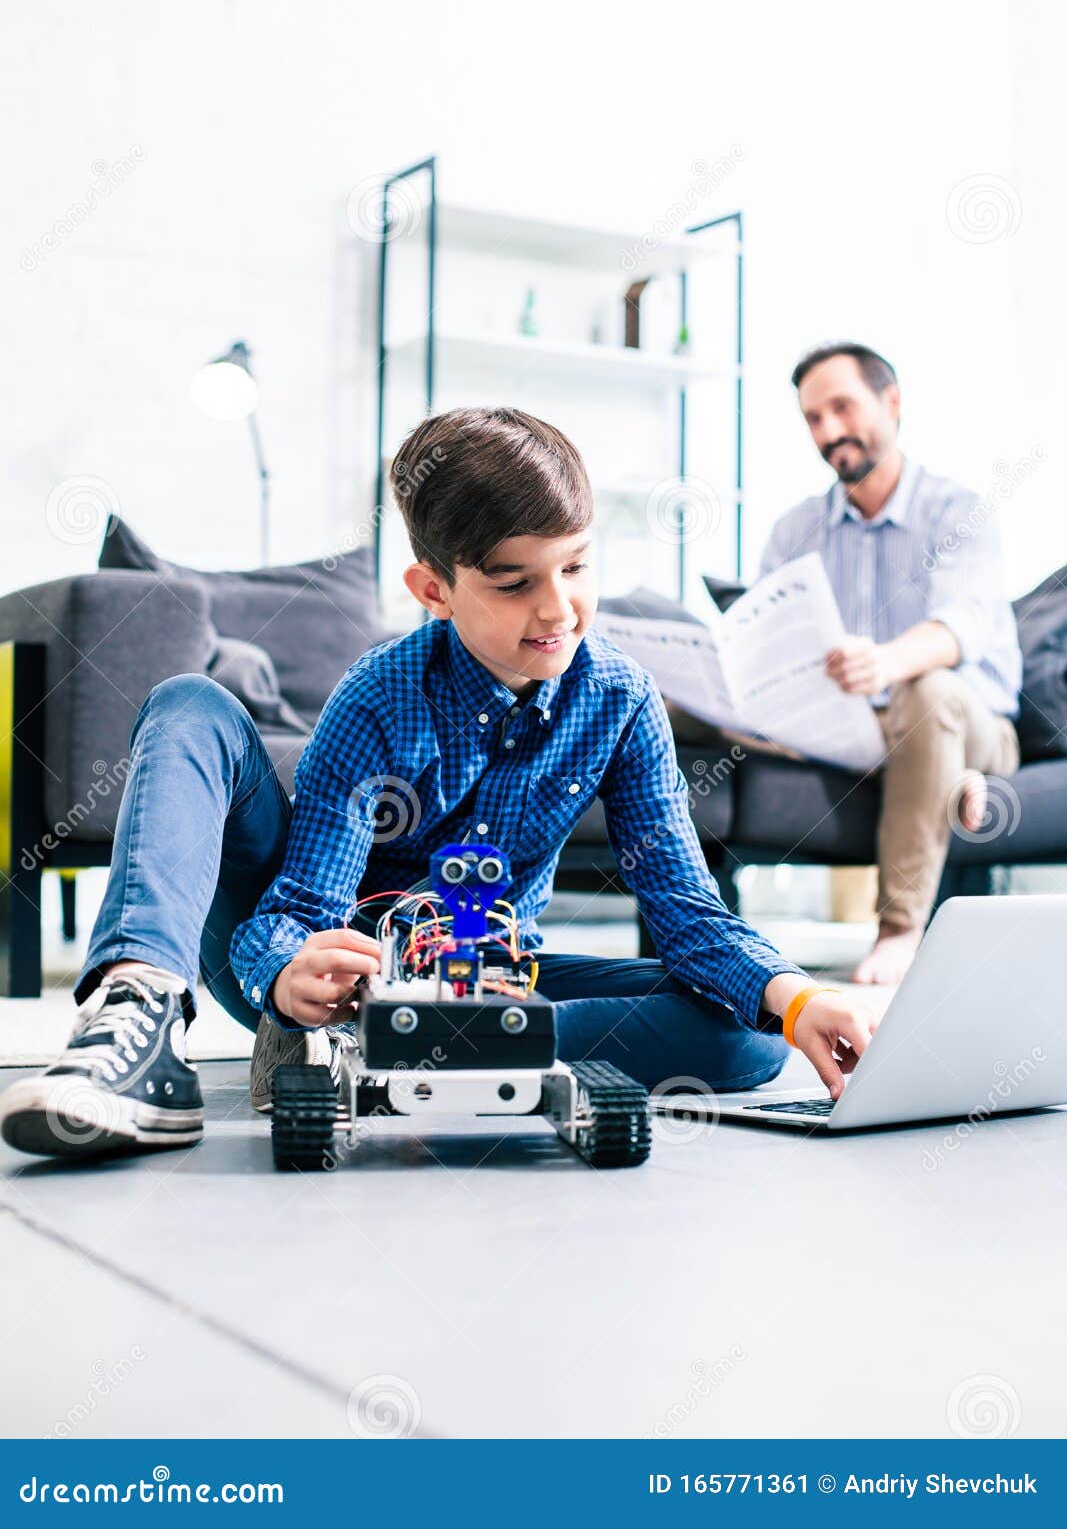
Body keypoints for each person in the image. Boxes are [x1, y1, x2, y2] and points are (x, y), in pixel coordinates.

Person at [1, 406, 877, 1161]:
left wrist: (797, 996)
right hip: (333, 976)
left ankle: (420, 1053)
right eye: (513, 582)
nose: (557, 608)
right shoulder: (378, 695)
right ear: (434, 590)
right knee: (189, 704)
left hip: (489, 984)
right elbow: (297, 908)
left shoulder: (619, 700)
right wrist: (286, 974)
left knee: (750, 1036)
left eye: (575, 567)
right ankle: (137, 1014)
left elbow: (687, 914)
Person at [762, 343, 1022, 985]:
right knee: (682, 705)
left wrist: (882, 663)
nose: (829, 431)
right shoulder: (795, 530)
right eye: (813, 418)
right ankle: (946, 777)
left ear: (892, 403)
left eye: (843, 407)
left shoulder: (958, 511)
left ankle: (901, 930)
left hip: (968, 716)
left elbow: (961, 629)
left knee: (925, 692)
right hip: (848, 729)